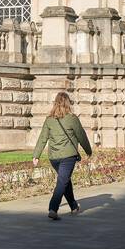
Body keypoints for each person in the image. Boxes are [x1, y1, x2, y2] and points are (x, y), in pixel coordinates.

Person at [32, 91, 93, 220]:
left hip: (54, 157)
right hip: (68, 156)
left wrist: (36, 155)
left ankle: (74, 206)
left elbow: (43, 138)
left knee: (64, 180)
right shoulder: (72, 118)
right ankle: (53, 208)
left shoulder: (49, 120)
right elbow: (81, 136)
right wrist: (88, 150)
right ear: (67, 103)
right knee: (62, 181)